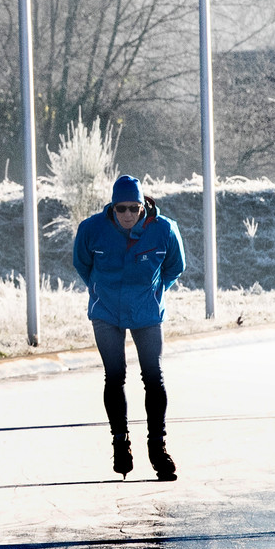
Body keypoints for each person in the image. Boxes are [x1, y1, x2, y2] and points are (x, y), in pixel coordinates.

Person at [73, 175, 186, 481]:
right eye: (121, 208)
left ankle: (157, 448)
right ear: (112, 206)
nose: (126, 214)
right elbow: (82, 264)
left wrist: (154, 292)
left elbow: (176, 267)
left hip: (146, 313)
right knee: (115, 376)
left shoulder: (164, 230)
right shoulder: (91, 229)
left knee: (153, 376)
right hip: (106, 312)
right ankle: (120, 442)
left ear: (142, 205)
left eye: (133, 208)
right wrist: (98, 289)